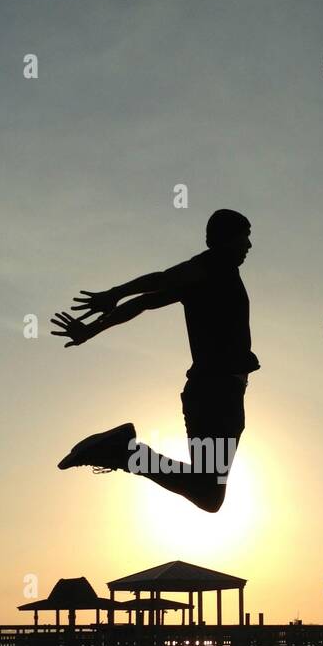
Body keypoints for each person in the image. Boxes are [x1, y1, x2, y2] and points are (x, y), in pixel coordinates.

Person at [51, 209, 258, 513]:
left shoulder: (214, 276)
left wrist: (92, 329)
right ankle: (123, 451)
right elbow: (160, 281)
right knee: (208, 493)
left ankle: (123, 451)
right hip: (215, 395)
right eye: (245, 237)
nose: (249, 246)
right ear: (227, 239)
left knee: (208, 493)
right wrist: (115, 293)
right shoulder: (211, 266)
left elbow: (146, 303)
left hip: (221, 395)